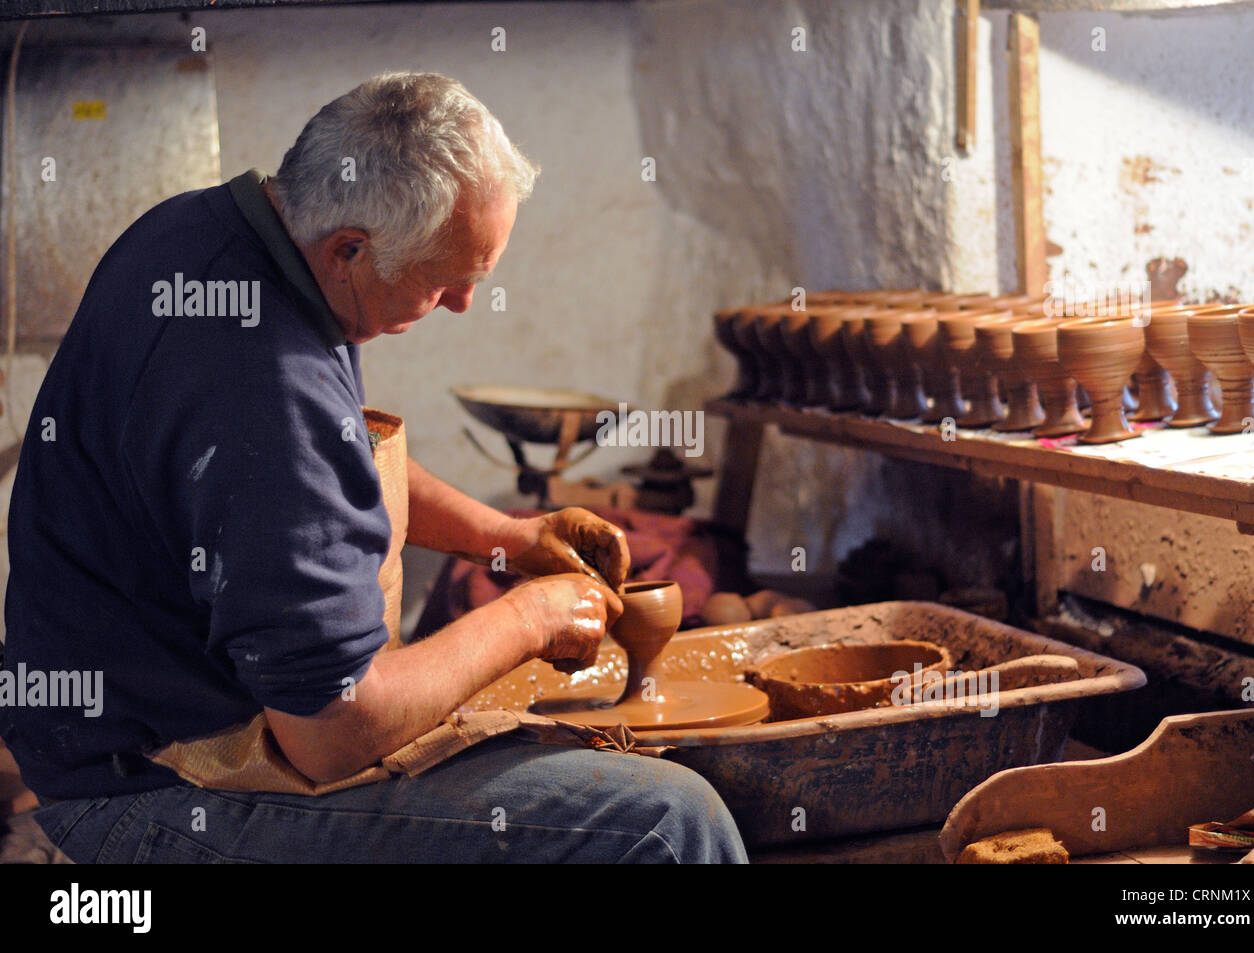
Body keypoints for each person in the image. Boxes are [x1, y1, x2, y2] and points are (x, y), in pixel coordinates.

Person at [1, 72, 747, 863]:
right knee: (671, 820)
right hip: (153, 789)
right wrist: (531, 617)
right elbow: (332, 731)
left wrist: (509, 537)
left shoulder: (210, 234)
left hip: (109, 726)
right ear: (350, 247)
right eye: (443, 281)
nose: (461, 302)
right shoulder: (263, 382)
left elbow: (330, 459)